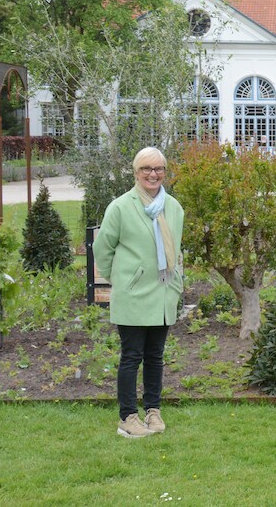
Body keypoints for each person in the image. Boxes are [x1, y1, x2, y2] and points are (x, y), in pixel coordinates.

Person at [94, 147, 184, 438]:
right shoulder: (120, 207)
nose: (153, 174)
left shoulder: (174, 207)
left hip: (163, 293)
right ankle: (127, 417)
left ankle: (153, 411)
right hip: (133, 295)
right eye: (146, 168)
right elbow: (102, 249)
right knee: (132, 356)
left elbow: (176, 250)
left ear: (165, 173)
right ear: (136, 172)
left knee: (155, 356)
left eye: (158, 169)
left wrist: (176, 282)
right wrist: (123, 279)